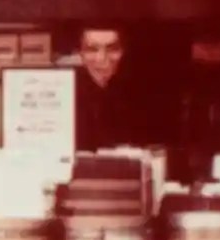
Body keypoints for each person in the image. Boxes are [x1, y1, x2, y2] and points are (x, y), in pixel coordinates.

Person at [72, 24, 168, 152]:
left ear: (123, 51)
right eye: (92, 49)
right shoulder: (69, 94)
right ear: (80, 54)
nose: (101, 59)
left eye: (112, 49)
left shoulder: (141, 96)